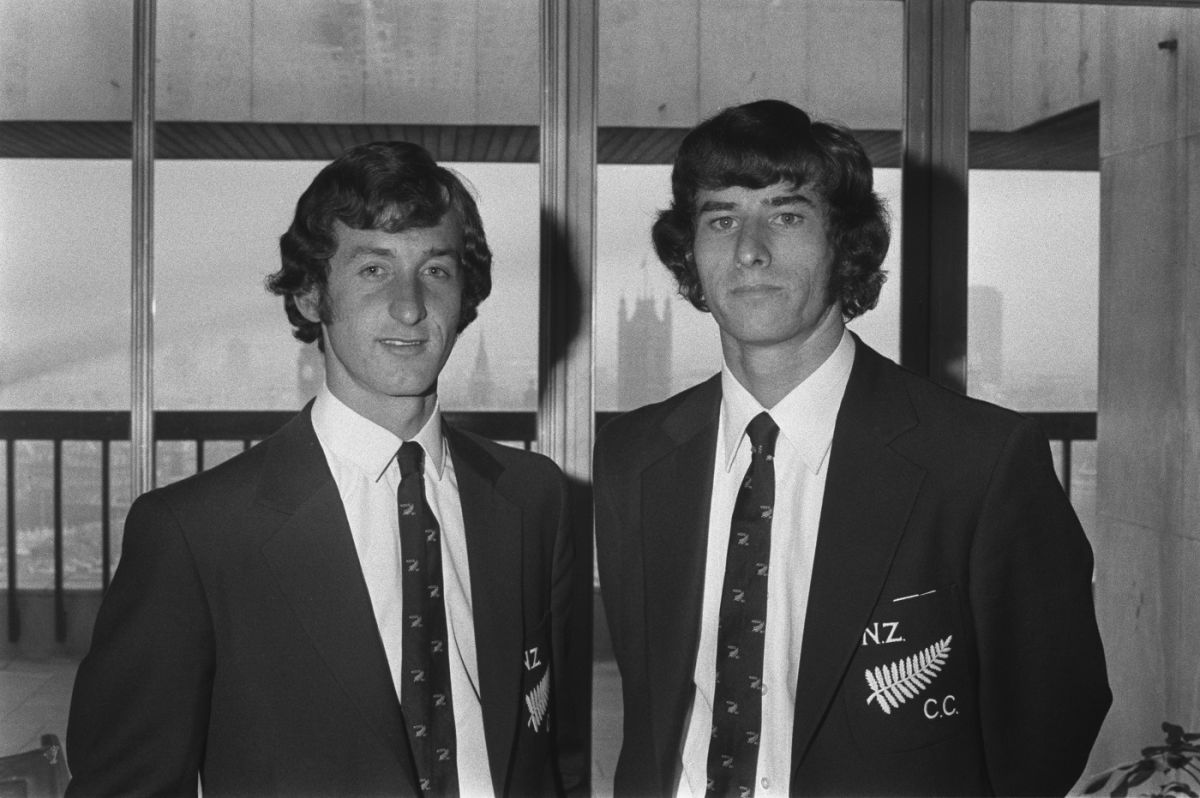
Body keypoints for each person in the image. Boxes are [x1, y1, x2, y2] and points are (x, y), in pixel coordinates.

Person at [593, 100, 1110, 797]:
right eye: (721, 218)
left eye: (786, 214)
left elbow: (1052, 716)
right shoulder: (634, 458)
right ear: (690, 250)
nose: (750, 249)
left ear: (845, 243)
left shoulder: (977, 463)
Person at [67, 141, 584, 797]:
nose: (409, 306)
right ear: (312, 294)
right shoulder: (196, 535)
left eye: (437, 271)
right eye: (373, 269)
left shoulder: (534, 500)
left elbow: (557, 760)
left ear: (466, 295)